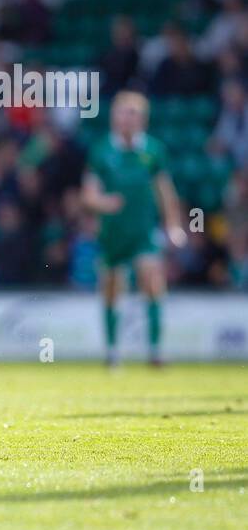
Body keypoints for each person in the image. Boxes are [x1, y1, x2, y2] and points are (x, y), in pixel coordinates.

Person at [81, 90, 187, 366]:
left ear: (143, 120)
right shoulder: (102, 151)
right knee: (113, 287)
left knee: (151, 279)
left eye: (133, 114)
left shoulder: (153, 151)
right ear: (114, 118)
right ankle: (113, 352)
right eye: (122, 113)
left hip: (143, 231)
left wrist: (173, 225)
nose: (127, 120)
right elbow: (89, 194)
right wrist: (104, 203)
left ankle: (155, 351)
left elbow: (165, 190)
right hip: (113, 233)